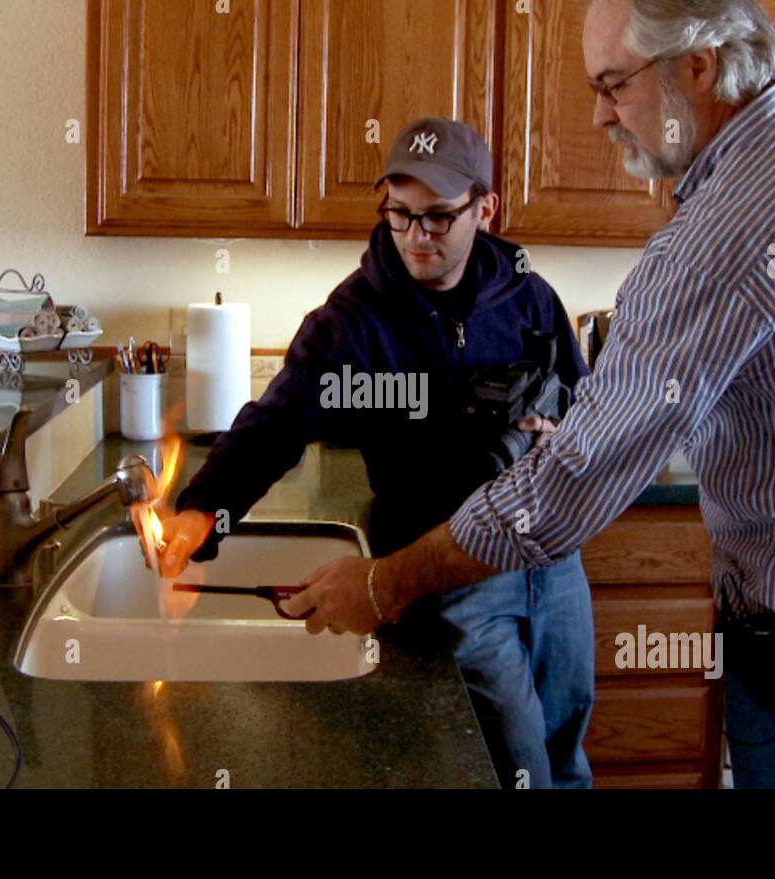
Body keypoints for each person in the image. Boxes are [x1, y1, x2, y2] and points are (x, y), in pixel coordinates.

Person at [286, 0, 775, 790]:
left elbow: (569, 486)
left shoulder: (718, 236)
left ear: (698, 65)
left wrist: (385, 584)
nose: (598, 114)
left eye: (613, 85)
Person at [159, 118, 596, 789]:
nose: (418, 235)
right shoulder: (351, 322)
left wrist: (556, 422)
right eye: (401, 213)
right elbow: (273, 425)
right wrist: (201, 512)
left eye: (439, 216)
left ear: (486, 208)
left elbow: (582, 400)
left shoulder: (530, 295)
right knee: (516, 768)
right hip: (451, 567)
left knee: (566, 755)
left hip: (553, 561)